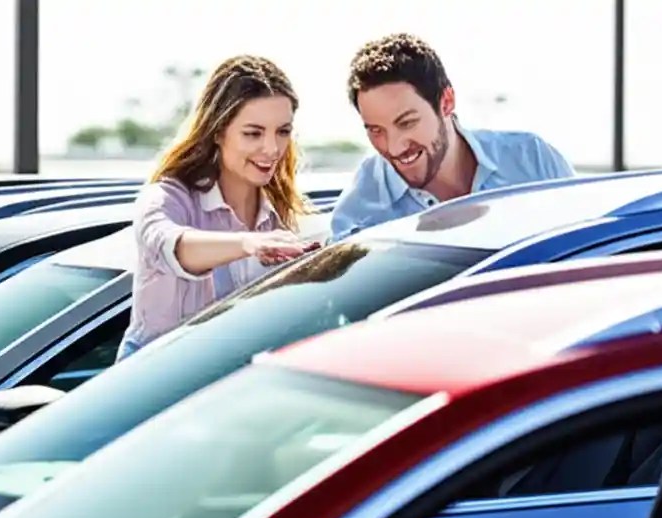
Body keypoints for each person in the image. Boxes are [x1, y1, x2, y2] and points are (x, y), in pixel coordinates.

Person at [117, 55, 319, 360]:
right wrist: (248, 243)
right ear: (218, 131)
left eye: (283, 131)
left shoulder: (285, 216)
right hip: (149, 383)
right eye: (253, 133)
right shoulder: (168, 197)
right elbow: (169, 245)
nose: (272, 148)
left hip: (228, 387)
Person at [330, 33, 577, 241]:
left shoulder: (533, 161)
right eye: (376, 130)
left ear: (446, 102)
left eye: (406, 123)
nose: (393, 147)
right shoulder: (361, 210)